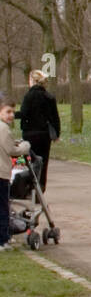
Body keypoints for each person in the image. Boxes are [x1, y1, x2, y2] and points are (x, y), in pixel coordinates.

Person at [16, 70, 59, 191]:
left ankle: (30, 188)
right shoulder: (49, 97)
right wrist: (56, 134)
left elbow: (24, 113)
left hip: (30, 133)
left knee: (30, 162)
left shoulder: (28, 96)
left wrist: (9, 114)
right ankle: (41, 187)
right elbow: (55, 117)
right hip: (44, 135)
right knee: (43, 162)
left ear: (33, 81)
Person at [0, 99, 31, 252]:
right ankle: (3, 240)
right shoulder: (4, 129)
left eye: (13, 112)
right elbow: (12, 150)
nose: (11, 115)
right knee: (3, 207)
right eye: (8, 112)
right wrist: (25, 146)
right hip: (1, 173)